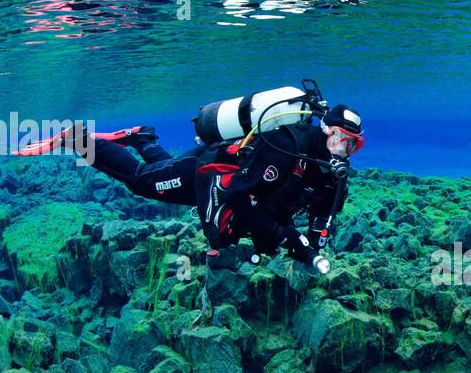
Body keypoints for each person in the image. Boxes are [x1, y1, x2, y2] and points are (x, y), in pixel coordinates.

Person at [43, 104, 362, 273]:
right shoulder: (288, 145)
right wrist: (284, 237)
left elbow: (321, 217)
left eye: (351, 145)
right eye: (338, 139)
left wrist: (313, 246)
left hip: (220, 180)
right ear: (325, 131)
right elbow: (240, 197)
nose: (342, 150)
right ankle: (78, 138)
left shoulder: (333, 176)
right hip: (206, 172)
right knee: (142, 180)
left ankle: (144, 137)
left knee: (159, 175)